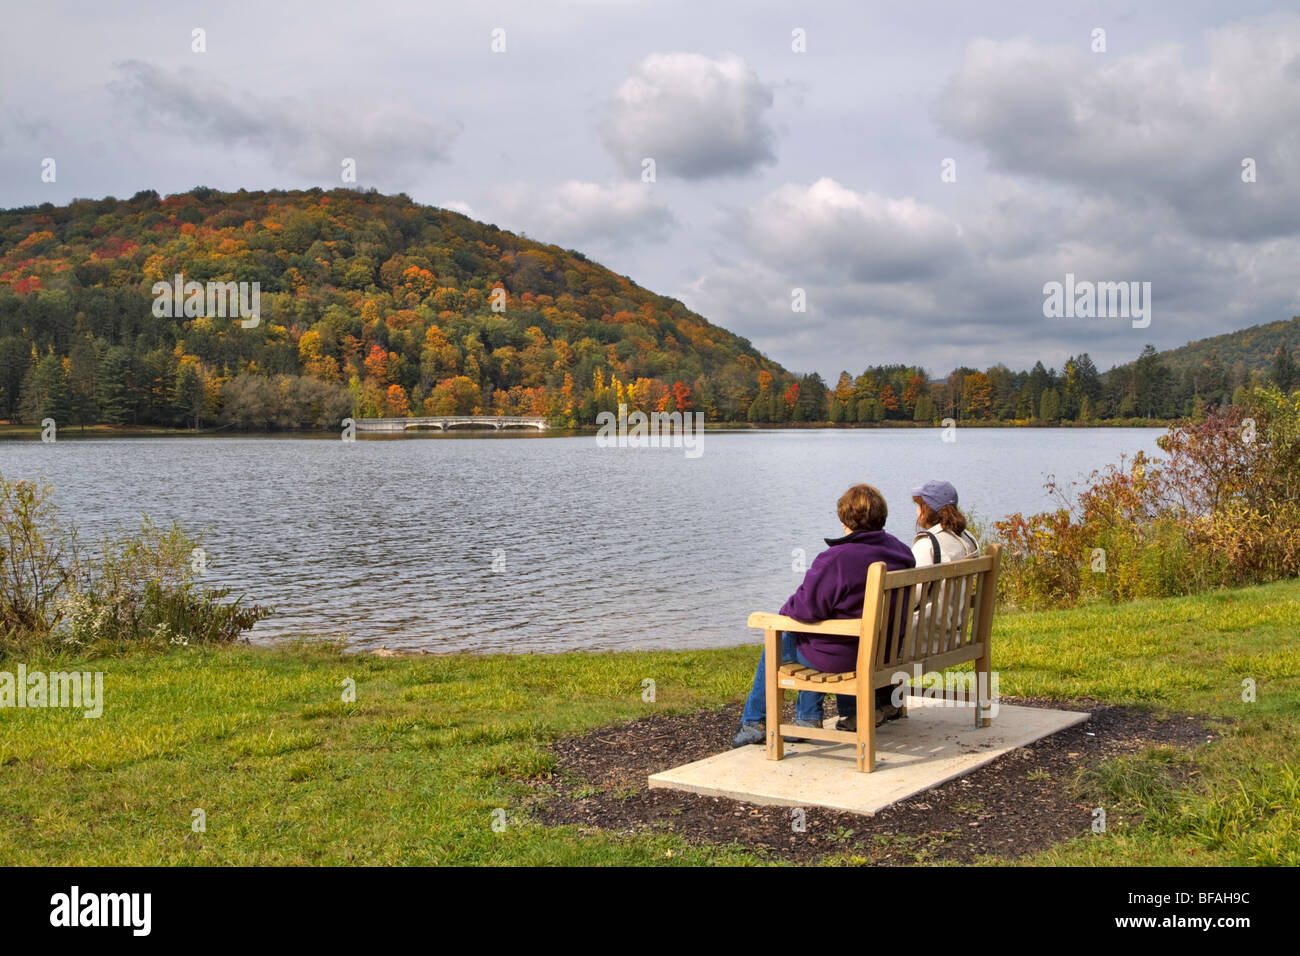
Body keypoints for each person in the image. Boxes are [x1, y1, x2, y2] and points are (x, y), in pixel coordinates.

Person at [733, 483, 915, 747]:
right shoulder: (901, 551)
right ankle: (826, 716)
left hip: (848, 655)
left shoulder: (836, 559)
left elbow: (805, 609)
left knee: (784, 639)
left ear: (845, 520)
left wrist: (783, 615)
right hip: (885, 651)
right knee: (814, 635)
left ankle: (756, 723)